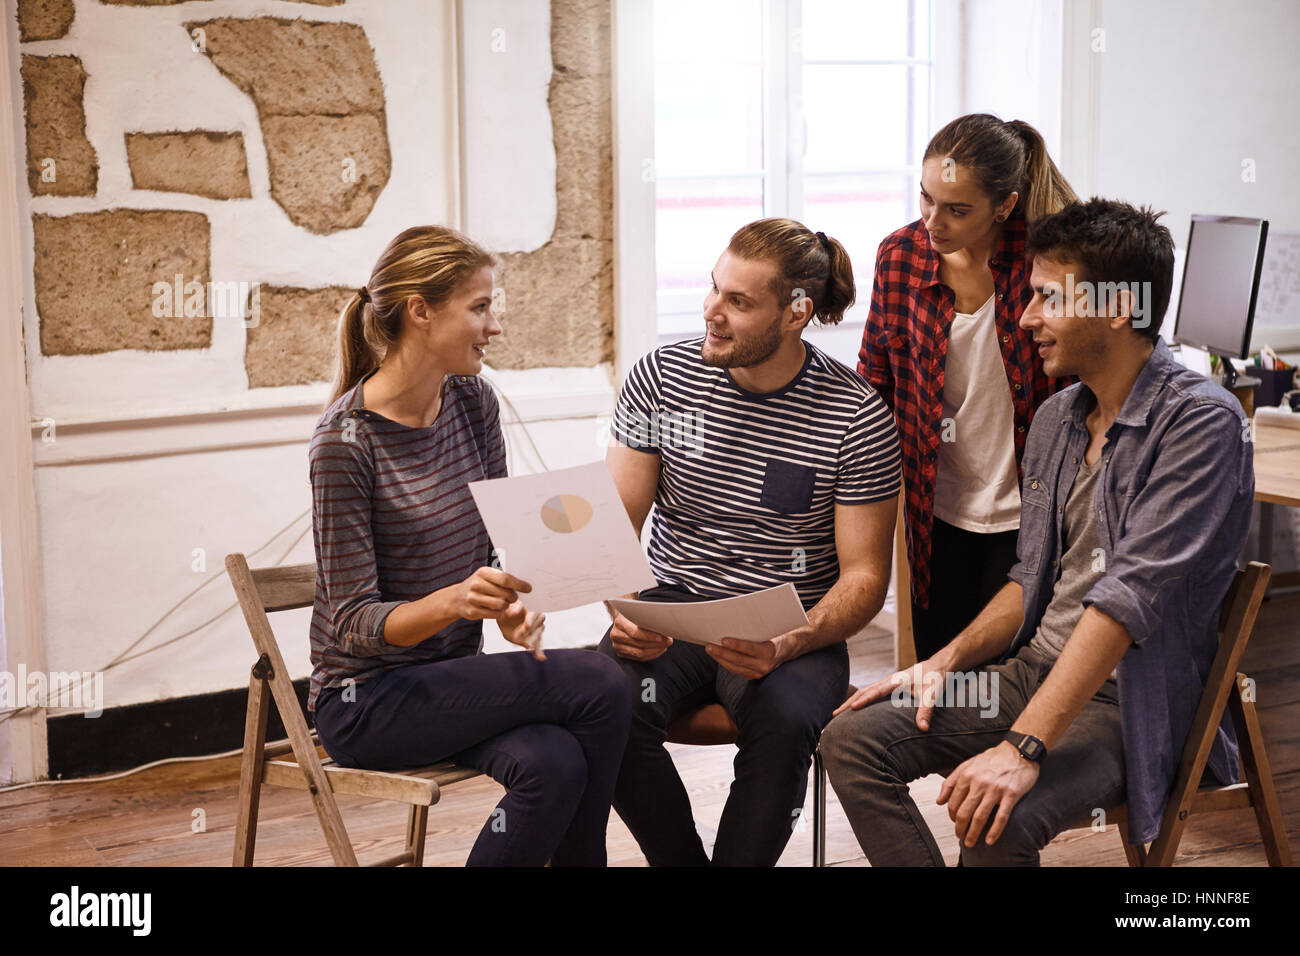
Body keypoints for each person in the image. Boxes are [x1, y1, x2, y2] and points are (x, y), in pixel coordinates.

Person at [820, 198, 1253, 866]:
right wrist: (944, 662)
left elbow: (1127, 599)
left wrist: (1023, 746)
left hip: (1128, 702)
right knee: (851, 740)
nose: (1025, 319)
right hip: (1029, 674)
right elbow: (1030, 581)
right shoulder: (1058, 417)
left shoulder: (1200, 424)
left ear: (1116, 307)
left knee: (998, 814)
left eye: (1048, 298)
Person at [307, 225, 631, 867]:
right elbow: (352, 626)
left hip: (450, 681)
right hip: (365, 700)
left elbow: (491, 547)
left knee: (557, 765)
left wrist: (506, 606)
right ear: (421, 312)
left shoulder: (470, 401)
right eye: (479, 308)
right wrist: (455, 602)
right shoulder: (345, 444)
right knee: (601, 677)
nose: (495, 326)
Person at [599, 217, 901, 866]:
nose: (712, 312)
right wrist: (623, 607)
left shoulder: (856, 416)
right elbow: (612, 524)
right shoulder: (661, 379)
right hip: (674, 605)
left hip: (792, 622)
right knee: (605, 707)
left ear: (796, 314)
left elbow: (865, 578)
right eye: (714, 289)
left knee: (787, 725)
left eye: (739, 302)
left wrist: (794, 638)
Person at [859, 113, 1078, 662]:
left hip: (1033, 507)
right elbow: (875, 381)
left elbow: (1084, 382)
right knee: (943, 669)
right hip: (938, 509)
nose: (934, 220)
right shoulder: (900, 256)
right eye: (926, 199)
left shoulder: (1047, 261)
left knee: (1014, 670)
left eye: (957, 210)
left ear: (1004, 205)